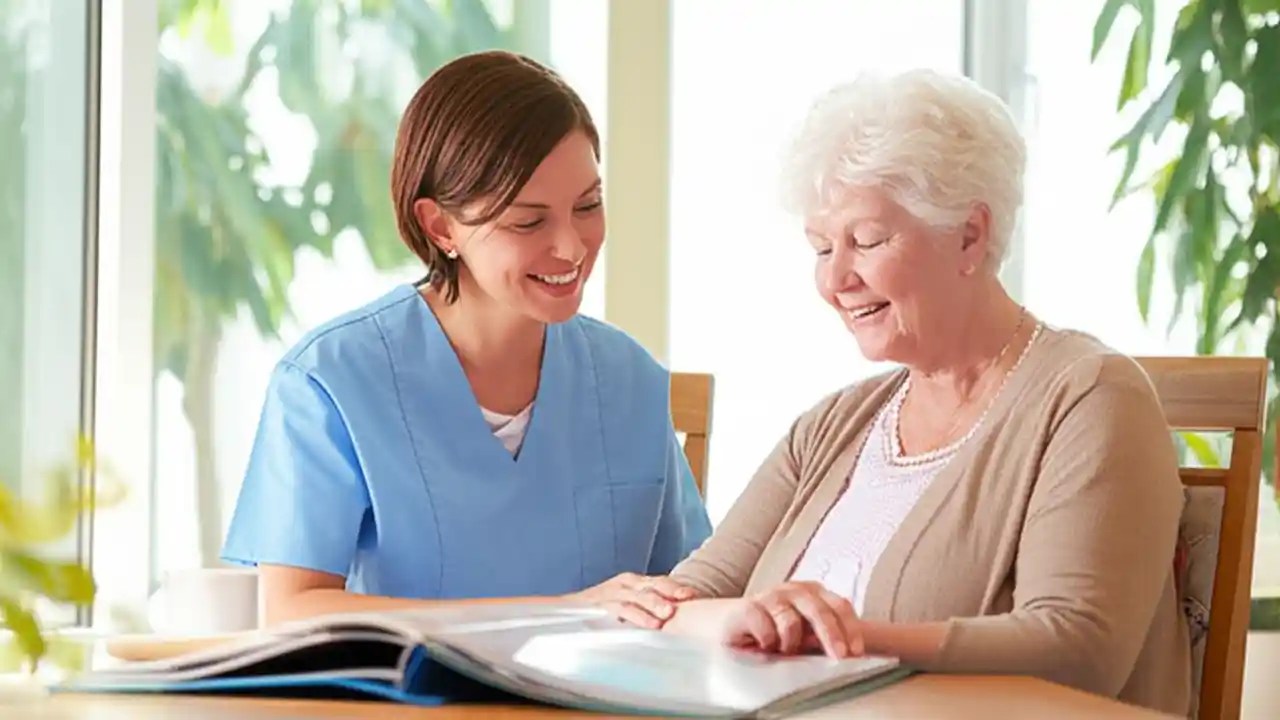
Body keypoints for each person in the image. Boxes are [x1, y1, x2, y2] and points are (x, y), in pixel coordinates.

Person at [602, 69, 1192, 715]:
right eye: (822, 247)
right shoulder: (832, 426)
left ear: (969, 234)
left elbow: (1079, 651)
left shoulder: (1088, 396)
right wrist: (749, 621)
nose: (836, 280)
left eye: (867, 241)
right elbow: (669, 605)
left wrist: (836, 639)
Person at [221, 51, 711, 626]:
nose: (573, 248)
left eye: (588, 206)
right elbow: (292, 610)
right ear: (440, 226)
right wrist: (559, 612)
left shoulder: (629, 379)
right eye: (528, 222)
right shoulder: (331, 382)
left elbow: (695, 586)